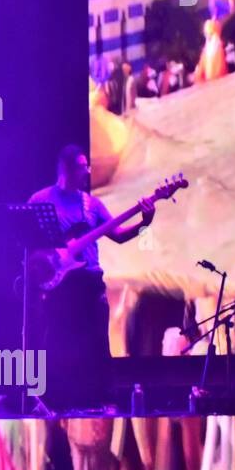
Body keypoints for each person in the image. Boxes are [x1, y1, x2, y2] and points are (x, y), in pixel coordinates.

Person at [28, 145, 155, 410]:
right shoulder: (41, 200)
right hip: (61, 284)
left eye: (87, 165)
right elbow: (28, 240)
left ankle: (102, 401)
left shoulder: (92, 205)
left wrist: (145, 222)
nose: (87, 170)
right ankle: (56, 401)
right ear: (66, 168)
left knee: (98, 340)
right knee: (58, 341)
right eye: (82, 166)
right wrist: (43, 261)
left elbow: (119, 235)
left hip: (89, 281)